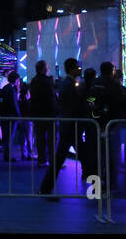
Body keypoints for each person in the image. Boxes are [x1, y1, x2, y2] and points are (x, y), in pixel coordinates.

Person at [40, 58, 90, 196]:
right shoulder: (70, 84)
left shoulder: (65, 83)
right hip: (71, 126)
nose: (79, 70)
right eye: (77, 68)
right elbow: (76, 105)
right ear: (72, 68)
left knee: (76, 157)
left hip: (68, 125)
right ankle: (96, 186)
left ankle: (45, 189)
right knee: (79, 157)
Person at [28, 60, 57, 165]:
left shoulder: (33, 81)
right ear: (45, 69)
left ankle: (41, 159)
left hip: (37, 114)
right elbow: (52, 98)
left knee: (40, 138)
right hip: (49, 114)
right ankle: (53, 160)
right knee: (52, 139)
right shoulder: (48, 81)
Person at [0, 70, 22, 161]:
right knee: (9, 137)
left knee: (6, 136)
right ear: (16, 79)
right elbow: (14, 103)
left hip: (5, 115)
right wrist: (18, 116)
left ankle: (6, 155)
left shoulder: (6, 87)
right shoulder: (11, 89)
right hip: (11, 116)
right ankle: (7, 156)